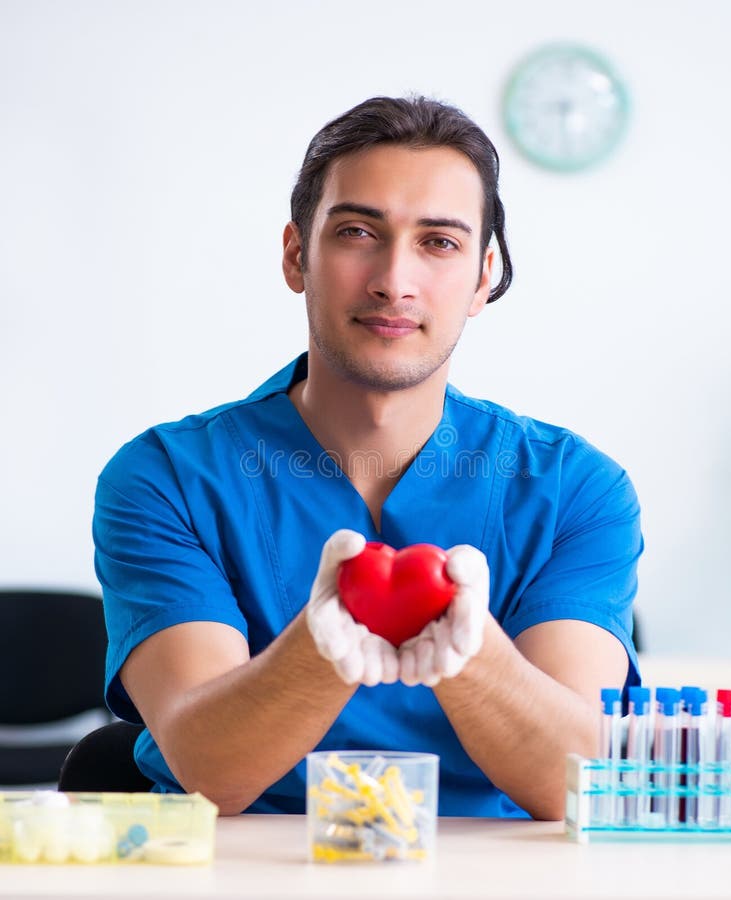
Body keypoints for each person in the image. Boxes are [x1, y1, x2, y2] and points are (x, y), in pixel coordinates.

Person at [94, 95, 643, 820]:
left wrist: (468, 649)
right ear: (298, 255)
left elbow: (580, 785)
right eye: (357, 232)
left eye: (439, 243)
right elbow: (207, 773)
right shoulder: (167, 480)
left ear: (483, 278)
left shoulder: (576, 490)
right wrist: (320, 648)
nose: (394, 280)